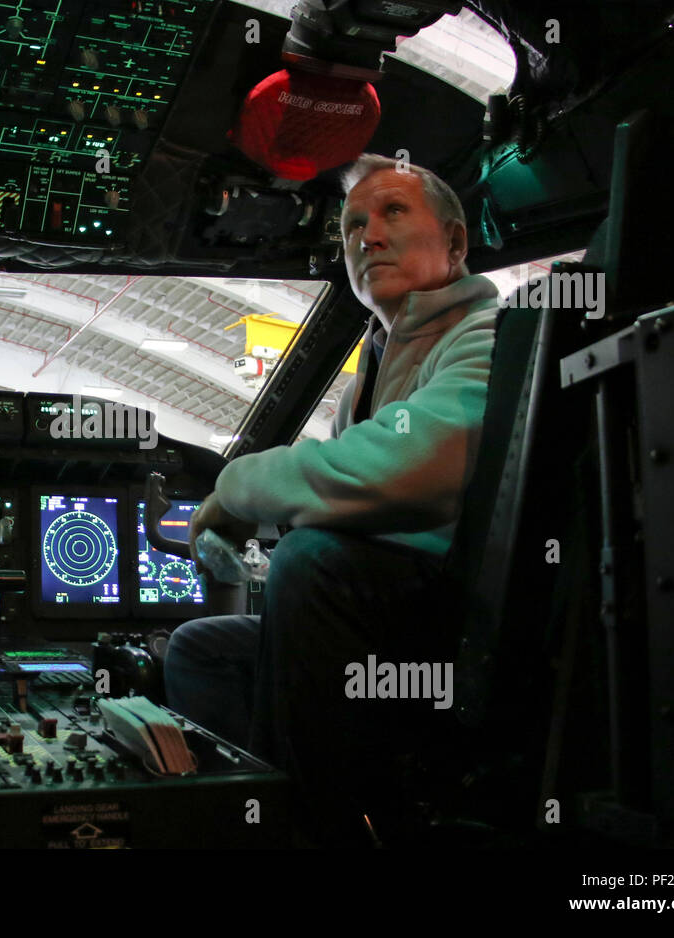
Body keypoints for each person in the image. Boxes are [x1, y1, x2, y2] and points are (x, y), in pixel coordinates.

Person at [164, 153, 500, 844]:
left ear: (456, 243)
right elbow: (347, 490)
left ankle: (315, 832)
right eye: (352, 225)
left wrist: (237, 488)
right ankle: (246, 813)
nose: (366, 237)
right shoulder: (372, 367)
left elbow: (400, 473)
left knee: (313, 564)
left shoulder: (485, 338)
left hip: (462, 626)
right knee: (201, 651)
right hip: (393, 625)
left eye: (392, 214)